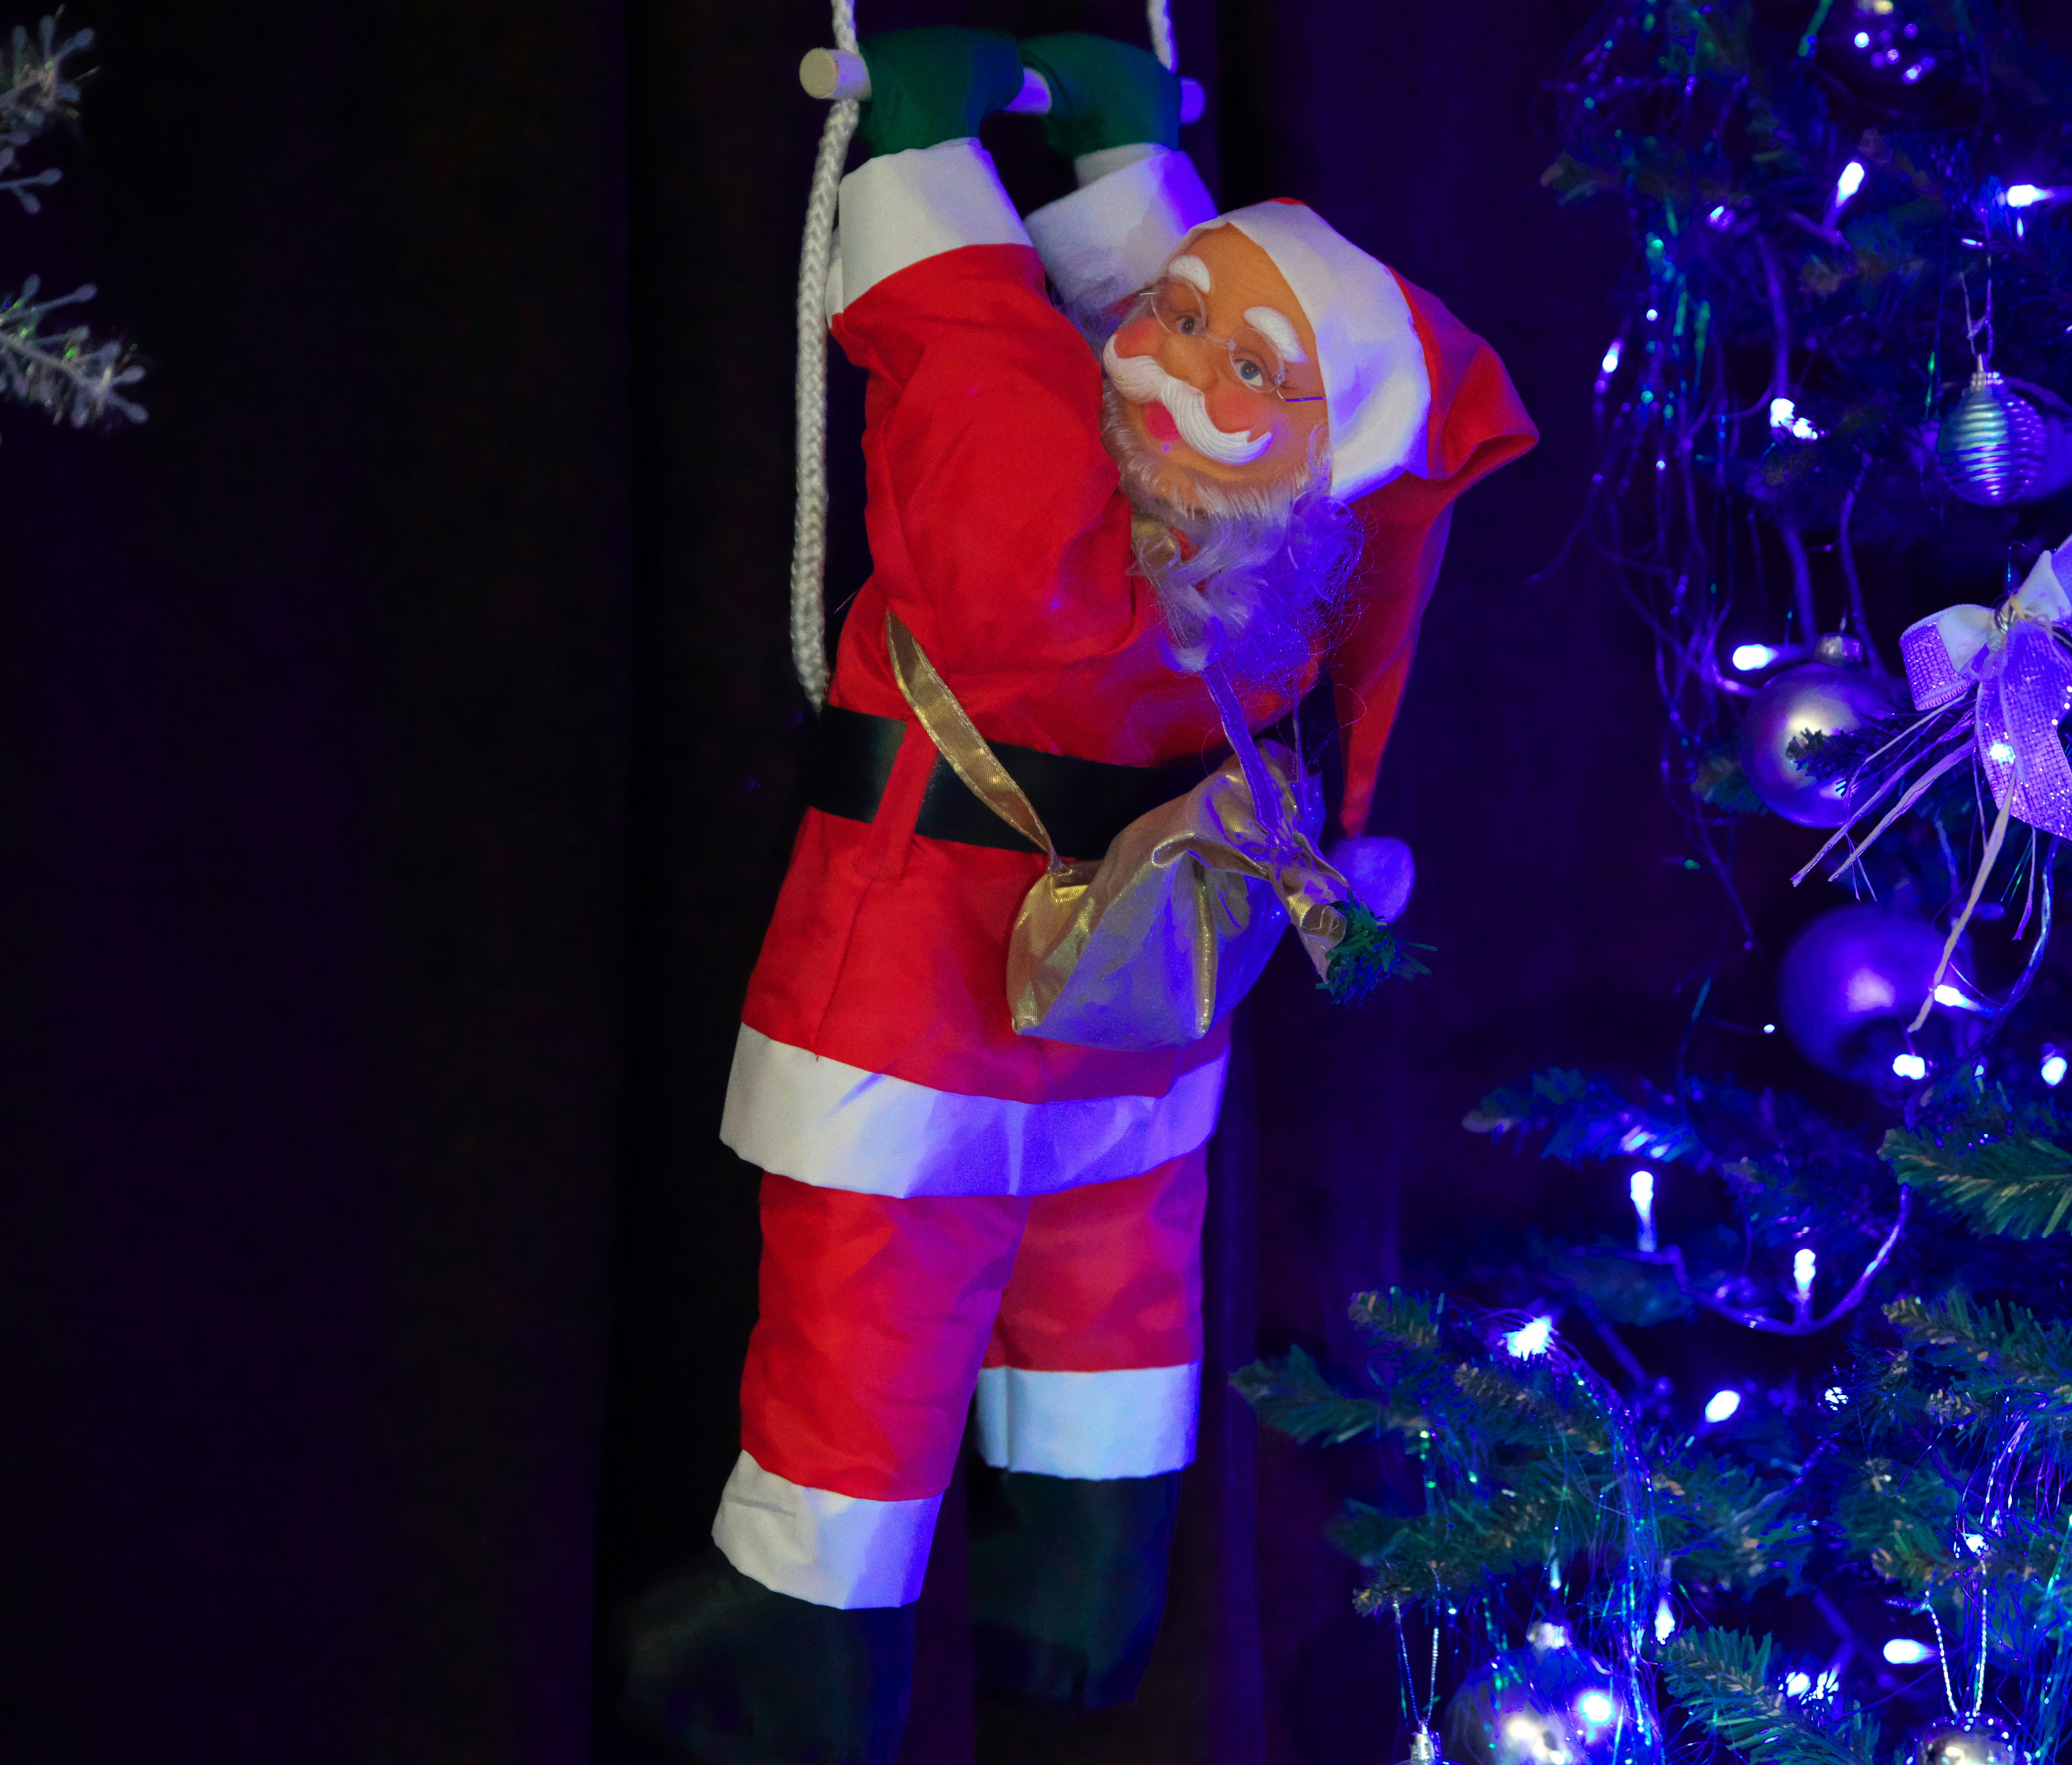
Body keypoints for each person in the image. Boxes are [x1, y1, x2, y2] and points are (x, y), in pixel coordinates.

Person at [624, 26, 1533, 1761]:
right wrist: (1131, 176)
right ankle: (1049, 1609)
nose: (1179, 363)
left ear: (1319, 450)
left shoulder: (1061, 527)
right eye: (1176, 308)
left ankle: (851, 1645)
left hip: (941, 984)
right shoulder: (1291, 586)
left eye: (1248, 363)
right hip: (1117, 996)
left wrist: (919, 148)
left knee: (902, 1307)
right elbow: (1138, 374)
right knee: (1081, 1278)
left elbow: (973, 362)